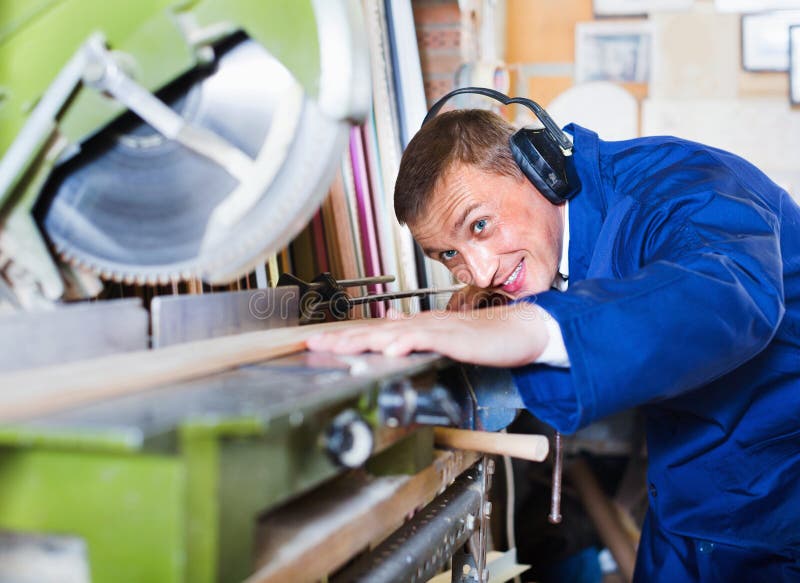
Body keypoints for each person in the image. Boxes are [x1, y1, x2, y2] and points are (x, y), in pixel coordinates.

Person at [307, 92, 800, 581]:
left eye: (480, 224)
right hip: (690, 497)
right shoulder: (567, 225)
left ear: (539, 168)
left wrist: (534, 325)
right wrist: (501, 302)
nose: (478, 272)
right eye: (449, 256)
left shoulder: (676, 187)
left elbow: (727, 294)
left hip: (777, 507)